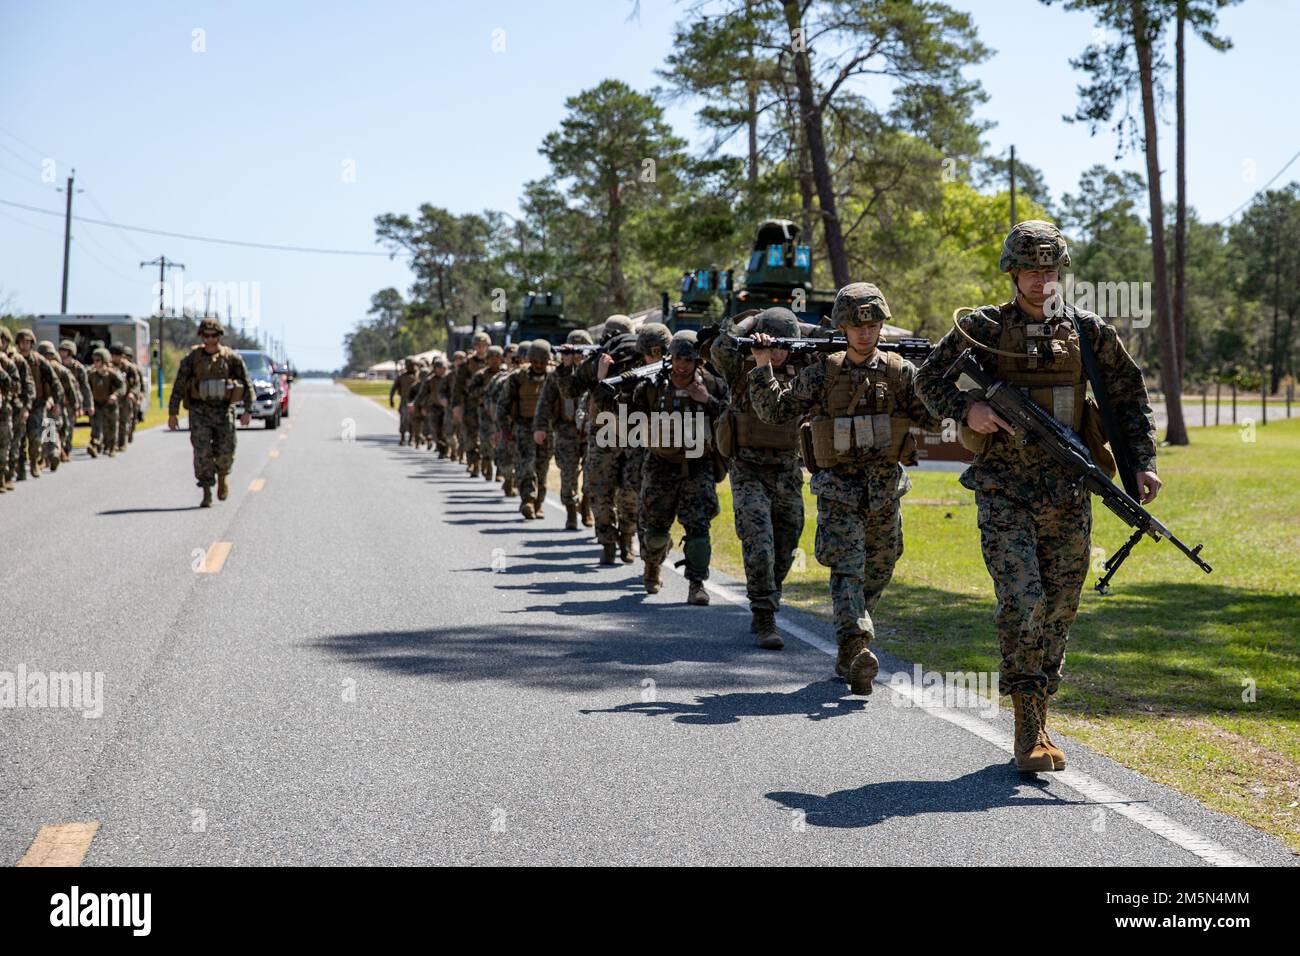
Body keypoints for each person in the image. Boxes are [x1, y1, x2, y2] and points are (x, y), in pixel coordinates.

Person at [914, 220, 1160, 772]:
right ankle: (1027, 728)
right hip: (1004, 490)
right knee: (1023, 600)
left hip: (1070, 491)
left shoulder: (1091, 333)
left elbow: (1128, 398)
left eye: (1049, 270)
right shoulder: (982, 329)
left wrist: (1142, 462)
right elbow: (925, 380)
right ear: (1012, 272)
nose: (1041, 280)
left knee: (1060, 607)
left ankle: (1042, 709)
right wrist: (967, 409)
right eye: (1030, 269)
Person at [749, 283, 939, 695]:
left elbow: (933, 418)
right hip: (839, 492)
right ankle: (856, 648)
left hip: (886, 491)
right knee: (848, 570)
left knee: (881, 566)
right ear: (842, 327)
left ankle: (849, 641)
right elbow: (776, 410)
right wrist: (763, 366)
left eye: (872, 325)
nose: (865, 333)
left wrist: (945, 377)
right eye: (856, 325)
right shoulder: (823, 372)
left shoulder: (900, 371)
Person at [710, 307, 807, 649]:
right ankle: (764, 613)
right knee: (759, 540)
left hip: (788, 470)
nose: (778, 351)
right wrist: (754, 322)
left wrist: (796, 328)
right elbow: (719, 347)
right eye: (774, 343)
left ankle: (771, 593)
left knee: (787, 541)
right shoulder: (741, 366)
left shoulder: (804, 370)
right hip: (748, 469)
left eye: (784, 344)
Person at [632, 330, 728, 604]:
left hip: (698, 465)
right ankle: (652, 566)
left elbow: (731, 417)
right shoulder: (652, 386)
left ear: (698, 360)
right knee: (656, 528)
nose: (683, 364)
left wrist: (705, 400)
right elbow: (631, 419)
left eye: (689, 359)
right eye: (678, 358)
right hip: (660, 465)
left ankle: (696, 584)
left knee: (698, 528)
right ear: (670, 357)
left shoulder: (712, 385)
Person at [562, 316, 640, 564]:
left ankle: (610, 543)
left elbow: (569, 390)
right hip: (632, 433)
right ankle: (625, 542)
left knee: (601, 492)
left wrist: (567, 367)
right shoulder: (643, 358)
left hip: (606, 433)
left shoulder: (598, 360)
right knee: (630, 492)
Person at [167, 318, 253, 508]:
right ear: (201, 336)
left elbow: (246, 385)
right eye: (206, 335)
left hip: (223, 411)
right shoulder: (192, 359)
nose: (210, 339)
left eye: (213, 336)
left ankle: (222, 477)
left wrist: (248, 410)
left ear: (219, 336)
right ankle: (207, 491)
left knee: (226, 451)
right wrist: (173, 413)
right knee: (202, 453)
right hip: (200, 412)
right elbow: (179, 386)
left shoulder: (231, 358)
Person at [534, 328, 592, 530]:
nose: (577, 356)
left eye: (581, 352)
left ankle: (586, 505)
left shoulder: (594, 371)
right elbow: (545, 403)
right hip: (566, 431)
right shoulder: (556, 375)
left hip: (591, 432)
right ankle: (570, 512)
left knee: (593, 474)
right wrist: (540, 427)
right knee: (567, 474)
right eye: (573, 351)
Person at [499, 340, 554, 518]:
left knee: (542, 467)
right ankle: (528, 500)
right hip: (523, 426)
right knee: (527, 465)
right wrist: (505, 430)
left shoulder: (553, 377)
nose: (538, 366)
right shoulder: (517, 377)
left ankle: (539, 503)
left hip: (547, 428)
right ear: (530, 360)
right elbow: (503, 405)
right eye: (535, 362)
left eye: (542, 362)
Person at [14, 329, 63, 479]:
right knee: (18, 439)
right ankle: (20, 467)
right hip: (17, 404)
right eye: (23, 342)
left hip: (37, 404)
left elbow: (54, 382)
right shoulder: (13, 359)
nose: (25, 345)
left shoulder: (38, 360)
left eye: (28, 342)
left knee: (35, 437)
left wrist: (57, 401)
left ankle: (35, 461)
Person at [453, 332, 491, 475]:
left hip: (487, 406)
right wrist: (456, 406)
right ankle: (473, 463)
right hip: (470, 406)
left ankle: (487, 462)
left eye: (483, 346)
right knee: (471, 436)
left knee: (487, 436)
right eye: (478, 346)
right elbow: (457, 387)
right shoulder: (466, 365)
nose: (481, 348)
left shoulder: (493, 362)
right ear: (474, 346)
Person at [0, 327, 33, 489]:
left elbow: (20, 386)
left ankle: (7, 475)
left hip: (12, 407)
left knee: (11, 444)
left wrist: (26, 407)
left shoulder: (16, 361)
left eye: (3, 340)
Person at [85, 347, 125, 458]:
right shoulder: (91, 375)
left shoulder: (113, 374)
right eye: (94, 360)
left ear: (104, 361)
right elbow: (86, 389)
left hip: (110, 404)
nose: (95, 363)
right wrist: (88, 403)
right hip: (97, 404)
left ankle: (112, 447)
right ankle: (95, 445)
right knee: (96, 426)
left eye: (98, 360)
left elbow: (122, 387)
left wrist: (115, 395)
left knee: (111, 427)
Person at [389, 358, 419, 446]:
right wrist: (391, 399)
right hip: (404, 400)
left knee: (413, 420)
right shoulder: (401, 377)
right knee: (403, 419)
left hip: (415, 400)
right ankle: (402, 438)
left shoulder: (418, 376)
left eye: (413, 365)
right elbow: (393, 389)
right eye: (410, 365)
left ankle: (412, 438)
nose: (412, 367)